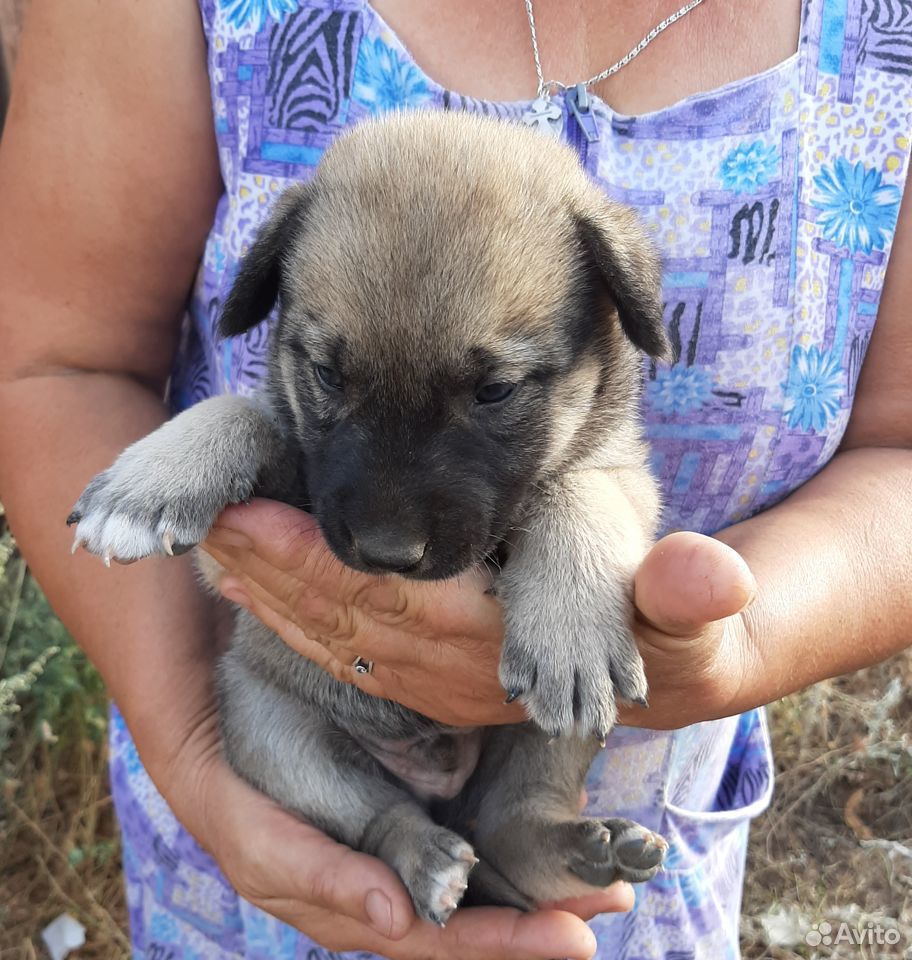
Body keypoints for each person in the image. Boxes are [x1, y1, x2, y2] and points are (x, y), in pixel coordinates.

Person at [1, 0, 911, 957]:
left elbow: (610, 487)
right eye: (330, 377)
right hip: (277, 805)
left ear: (615, 323)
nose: (390, 524)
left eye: (491, 393)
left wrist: (726, 653)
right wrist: (187, 745)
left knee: (576, 539)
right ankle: (393, 831)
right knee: (264, 695)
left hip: (632, 838)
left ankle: (526, 829)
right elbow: (62, 365)